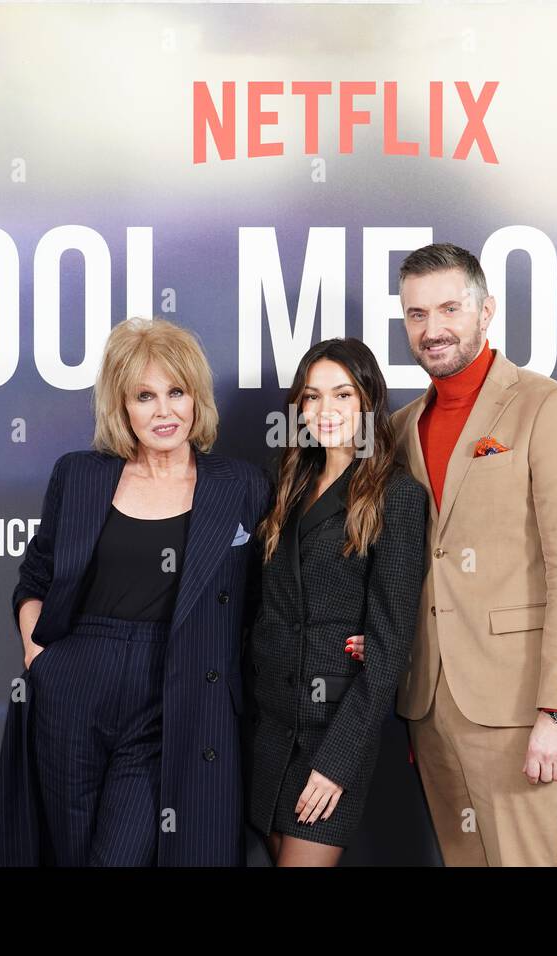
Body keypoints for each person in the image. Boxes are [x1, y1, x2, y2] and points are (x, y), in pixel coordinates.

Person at [0, 316, 270, 866]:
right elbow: (36, 577)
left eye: (176, 392)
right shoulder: (80, 476)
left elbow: (260, 604)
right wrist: (38, 655)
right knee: (68, 854)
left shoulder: (241, 486)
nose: (163, 411)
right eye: (145, 396)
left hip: (171, 694)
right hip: (72, 686)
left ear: (196, 399)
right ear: (121, 406)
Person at [383, 242, 557, 866]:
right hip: (429, 703)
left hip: (516, 705)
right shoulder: (401, 427)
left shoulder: (549, 408)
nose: (433, 330)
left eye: (449, 309)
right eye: (416, 314)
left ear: (486, 312)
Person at [246, 338, 428, 866]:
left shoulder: (396, 496)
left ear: (369, 401)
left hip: (333, 733)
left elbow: (389, 647)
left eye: (343, 395)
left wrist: (337, 763)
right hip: (269, 729)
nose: (325, 411)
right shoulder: (287, 482)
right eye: (312, 396)